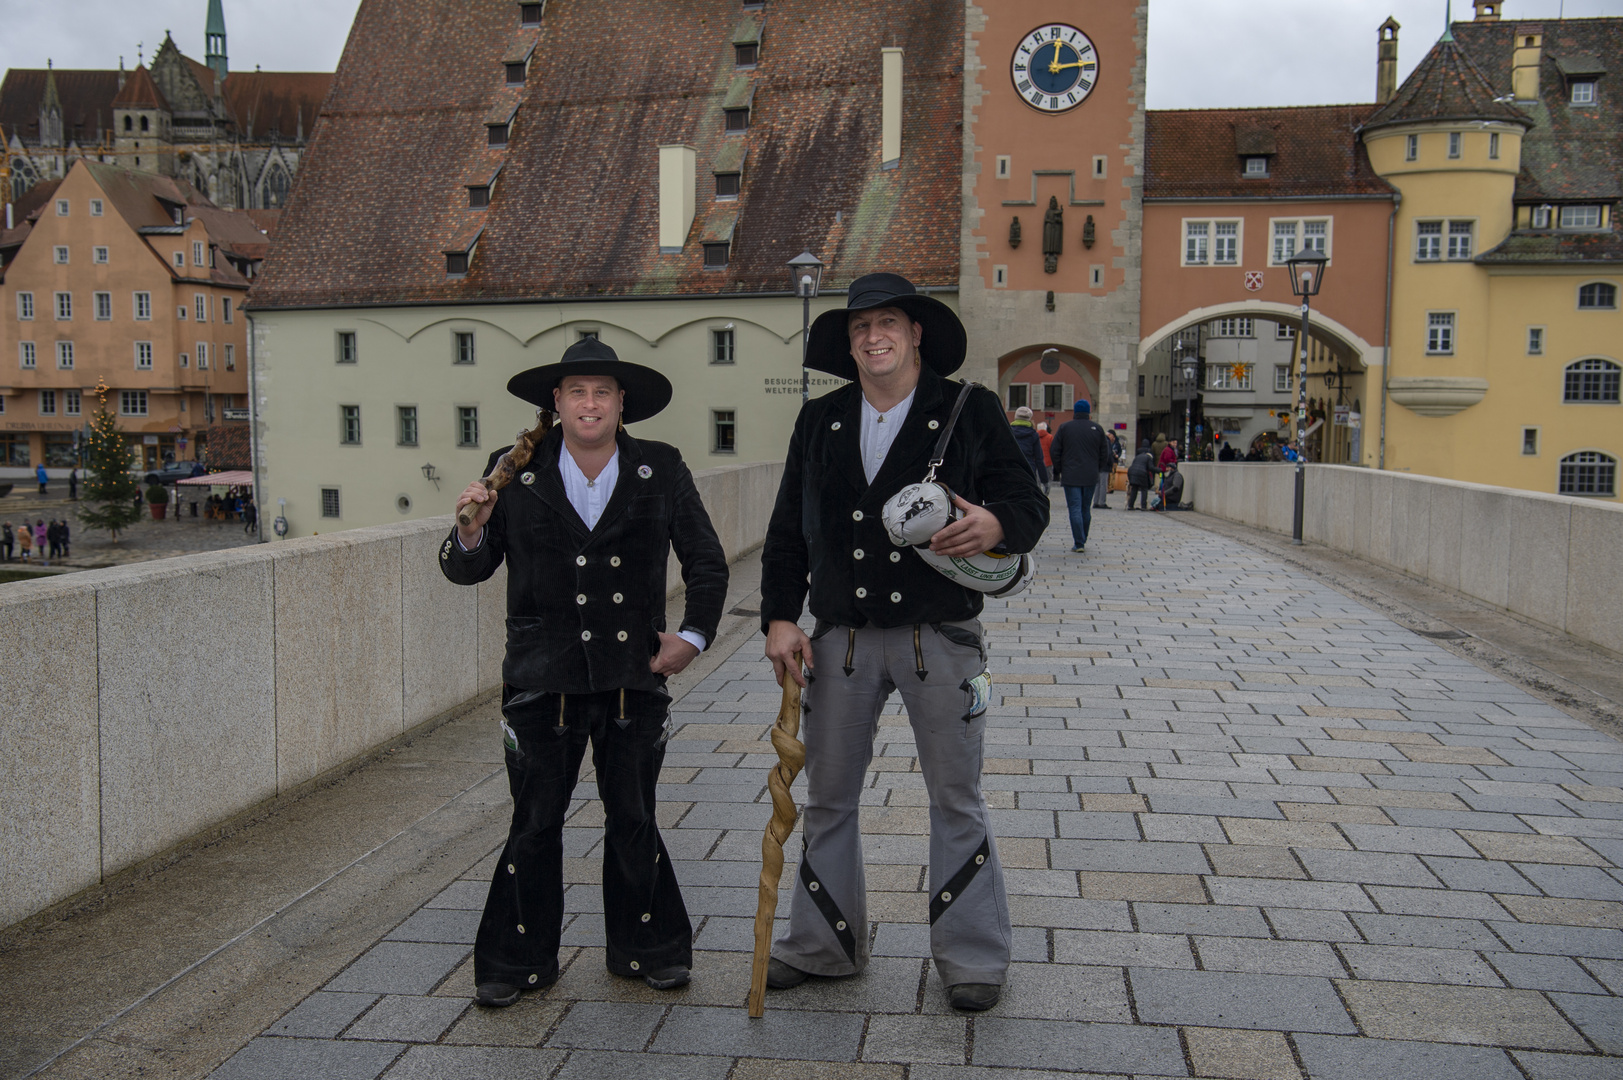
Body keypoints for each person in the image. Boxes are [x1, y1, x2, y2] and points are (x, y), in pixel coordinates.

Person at [759, 273, 1048, 1013]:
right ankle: (823, 945)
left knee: (956, 799)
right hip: (842, 640)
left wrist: (995, 523)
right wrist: (779, 617)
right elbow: (787, 530)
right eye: (860, 327)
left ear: (916, 333)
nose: (872, 337)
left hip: (939, 636)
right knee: (828, 798)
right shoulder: (819, 419)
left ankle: (972, 958)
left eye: (887, 322)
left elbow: (1027, 502)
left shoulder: (967, 408)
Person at [443, 337, 728, 1009]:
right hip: (542, 679)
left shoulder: (660, 466)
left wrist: (691, 638)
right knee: (534, 822)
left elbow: (706, 561)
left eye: (602, 392)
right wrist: (471, 530)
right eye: (577, 392)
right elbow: (465, 569)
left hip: (633, 678)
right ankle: (517, 961)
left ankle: (648, 948)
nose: (590, 404)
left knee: (633, 816)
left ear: (622, 403)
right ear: (557, 401)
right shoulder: (514, 469)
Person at [1049, 399, 1110, 553]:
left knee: (1074, 508)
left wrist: (1061, 469)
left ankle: (1079, 542)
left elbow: (1055, 451)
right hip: (1090, 475)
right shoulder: (1097, 428)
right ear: (1088, 412)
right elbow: (1105, 453)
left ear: (1075, 412)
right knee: (1085, 508)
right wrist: (1097, 468)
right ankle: (1083, 538)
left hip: (1070, 475)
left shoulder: (1065, 428)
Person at [1009, 406, 1048, 487]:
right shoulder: (1033, 435)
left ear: (1015, 417)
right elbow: (1039, 459)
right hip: (1029, 471)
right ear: (1029, 419)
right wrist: (1044, 480)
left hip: (1011, 470)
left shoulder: (1008, 433)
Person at [1095, 430, 1123, 510]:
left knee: (1098, 484)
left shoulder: (1099, 440)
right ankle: (1102, 502)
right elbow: (1108, 454)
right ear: (1110, 435)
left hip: (1098, 465)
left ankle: (1096, 502)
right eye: (1113, 437)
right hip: (1105, 466)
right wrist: (1111, 463)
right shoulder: (1107, 442)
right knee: (1103, 485)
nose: (1113, 439)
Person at [1126, 442, 1156, 510]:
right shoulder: (1148, 458)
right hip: (1141, 473)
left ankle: (1130, 505)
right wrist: (1159, 470)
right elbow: (1151, 468)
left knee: (1134, 488)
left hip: (1131, 472)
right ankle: (1143, 506)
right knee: (1144, 489)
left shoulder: (1138, 456)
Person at [1035, 422, 1054, 494]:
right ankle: (1046, 492)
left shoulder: (1034, 436)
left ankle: (1038, 492)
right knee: (1049, 478)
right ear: (1045, 428)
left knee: (1037, 478)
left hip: (1037, 461)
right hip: (1048, 461)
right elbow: (1053, 450)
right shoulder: (1050, 437)